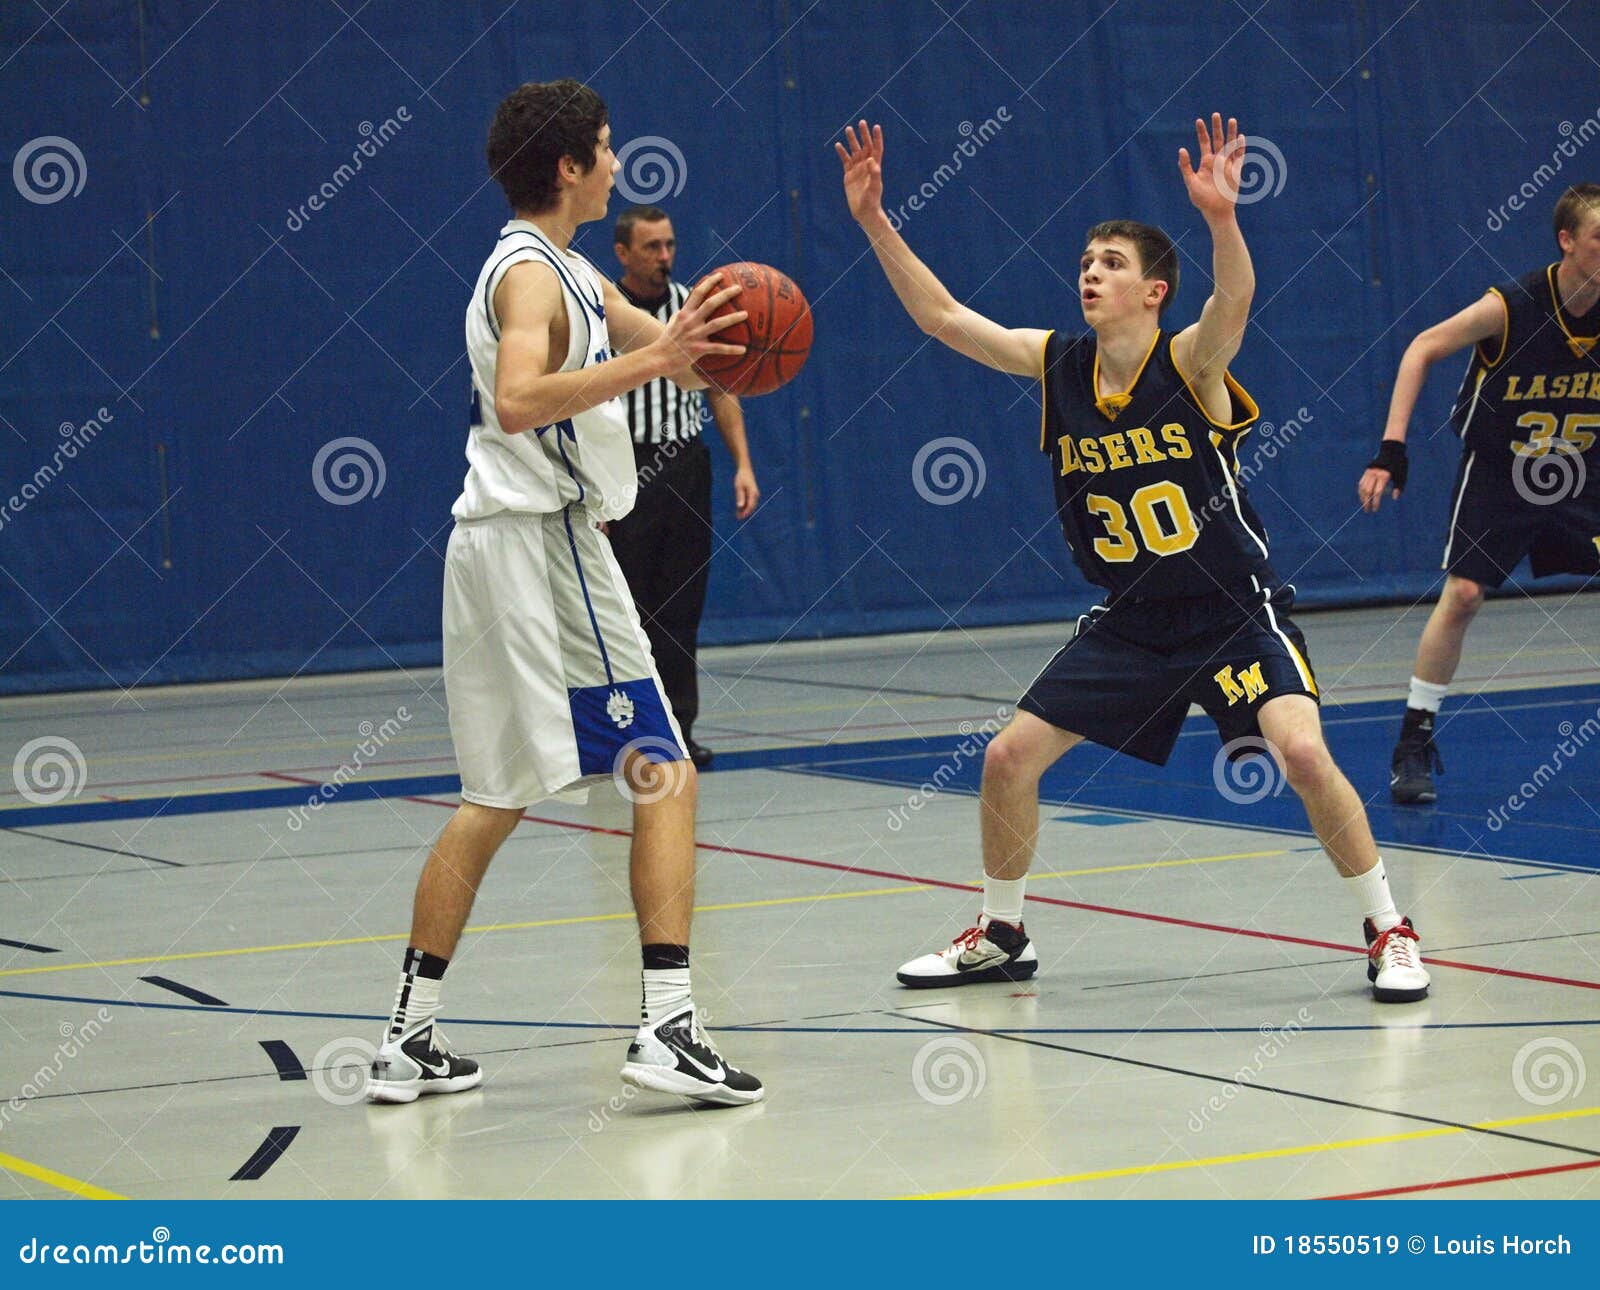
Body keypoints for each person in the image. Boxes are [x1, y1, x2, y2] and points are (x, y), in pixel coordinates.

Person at [836, 115, 1431, 1003]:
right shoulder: (1060, 367)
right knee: (1007, 759)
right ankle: (1002, 932)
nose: (1090, 273)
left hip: (1231, 610)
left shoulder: (1189, 363)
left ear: (1154, 292)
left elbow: (1232, 305)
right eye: (1085, 262)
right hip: (1135, 620)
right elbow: (944, 319)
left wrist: (1223, 222)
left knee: (1301, 753)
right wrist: (875, 220)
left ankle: (1390, 928)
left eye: (1111, 264)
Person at [366, 80, 763, 1107]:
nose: (619, 159)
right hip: (545, 550)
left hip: (498, 550)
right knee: (663, 771)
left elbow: (648, 331)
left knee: (493, 798)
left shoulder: (570, 272)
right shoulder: (530, 279)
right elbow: (516, 399)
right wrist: (664, 361)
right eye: (604, 145)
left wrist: (720, 334)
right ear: (568, 168)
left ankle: (407, 1035)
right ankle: (670, 1025)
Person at [1359, 183, 1600, 804]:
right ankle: (1413, 737)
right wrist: (1392, 448)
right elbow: (1422, 349)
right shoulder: (1513, 305)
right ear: (1568, 241)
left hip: (1582, 470)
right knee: (1463, 594)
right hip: (1501, 469)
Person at [607, 204, 761, 769]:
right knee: (625, 613)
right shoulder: (608, 314)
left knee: (680, 609)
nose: (665, 256)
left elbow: (720, 389)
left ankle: (677, 731)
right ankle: (624, 732)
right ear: (623, 252)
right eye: (652, 247)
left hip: (685, 467)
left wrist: (743, 463)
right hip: (624, 471)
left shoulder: (693, 309)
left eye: (670, 244)